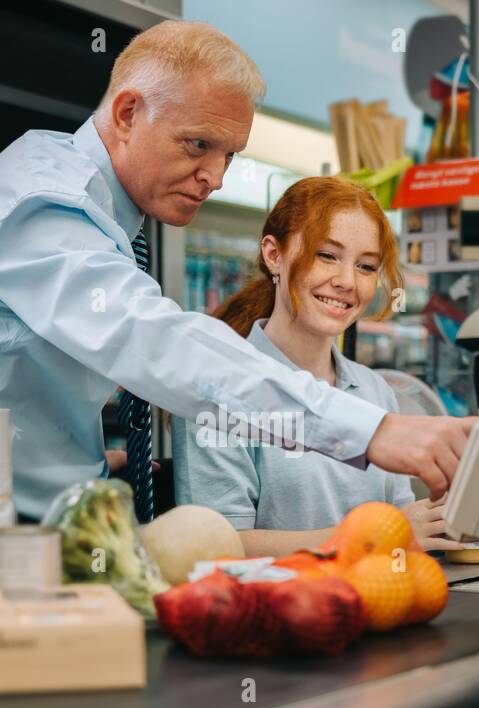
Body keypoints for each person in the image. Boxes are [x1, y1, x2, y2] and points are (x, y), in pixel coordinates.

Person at [0, 19, 474, 522]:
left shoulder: (102, 211)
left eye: (229, 155)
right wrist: (370, 430)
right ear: (129, 113)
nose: (216, 177)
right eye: (198, 144)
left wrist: (70, 454)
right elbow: (158, 343)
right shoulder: (41, 204)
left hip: (49, 518)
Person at [173, 177, 459, 556]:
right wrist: (373, 535)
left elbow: (402, 526)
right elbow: (217, 546)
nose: (346, 281)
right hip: (272, 610)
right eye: (327, 255)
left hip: (378, 605)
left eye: (367, 266)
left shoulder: (376, 391)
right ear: (274, 254)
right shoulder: (214, 391)